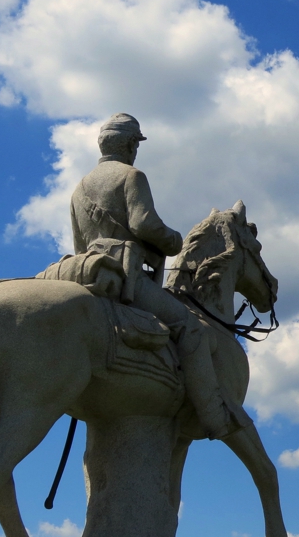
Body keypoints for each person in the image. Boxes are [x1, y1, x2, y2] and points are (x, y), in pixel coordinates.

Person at [70, 113, 249, 440]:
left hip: (89, 276)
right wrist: (173, 239)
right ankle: (214, 415)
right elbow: (143, 224)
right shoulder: (131, 176)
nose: (136, 150)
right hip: (128, 279)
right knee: (191, 329)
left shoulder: (79, 189)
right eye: (135, 143)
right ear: (127, 144)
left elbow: (79, 245)